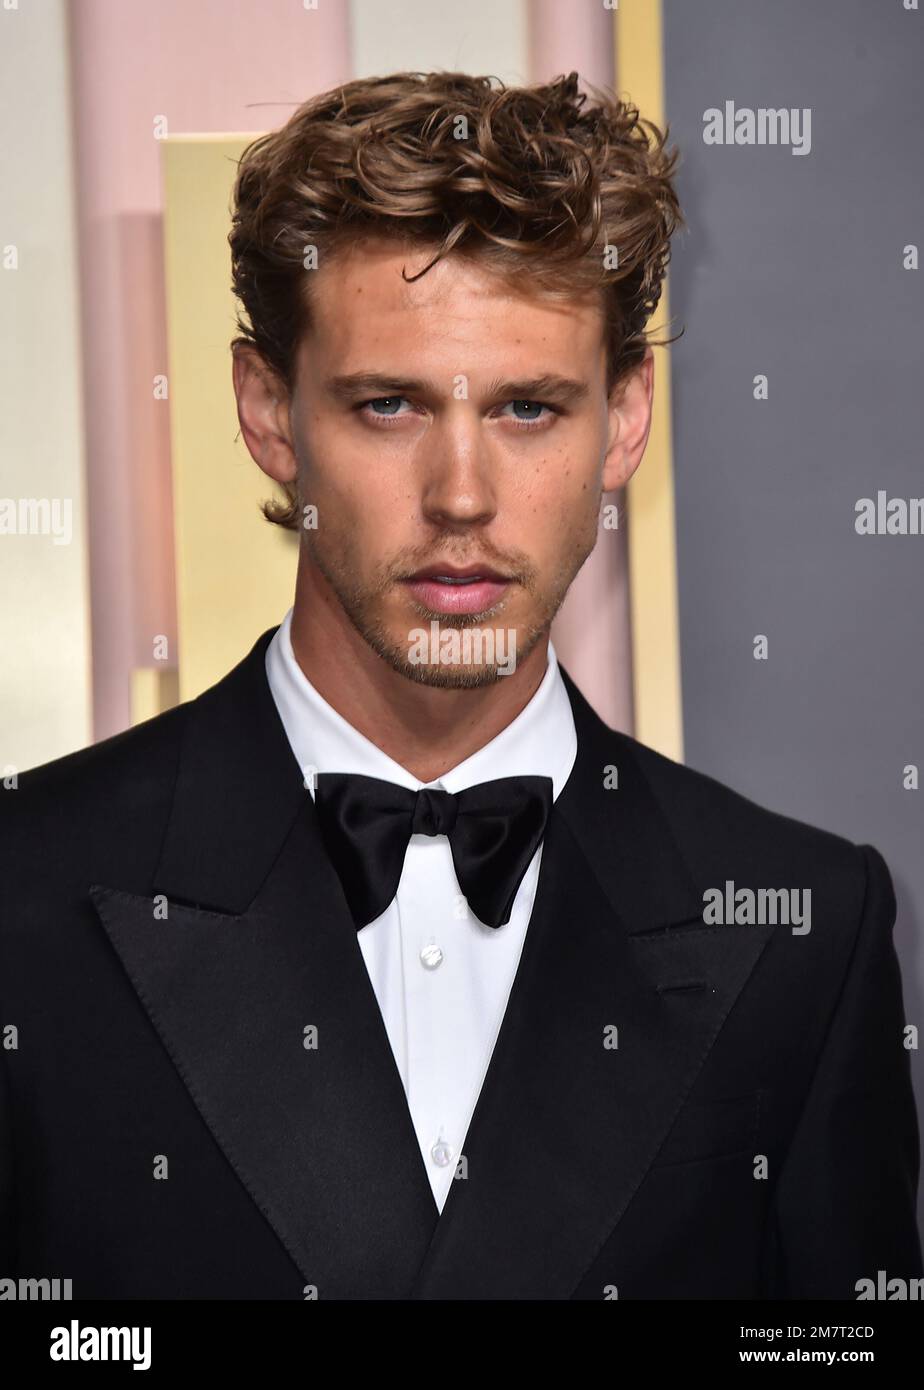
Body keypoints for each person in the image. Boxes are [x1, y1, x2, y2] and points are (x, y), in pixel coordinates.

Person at [1, 70, 920, 1301]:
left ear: (626, 417)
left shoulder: (807, 923)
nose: (465, 497)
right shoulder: (24, 893)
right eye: (389, 404)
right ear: (269, 411)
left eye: (532, 409)